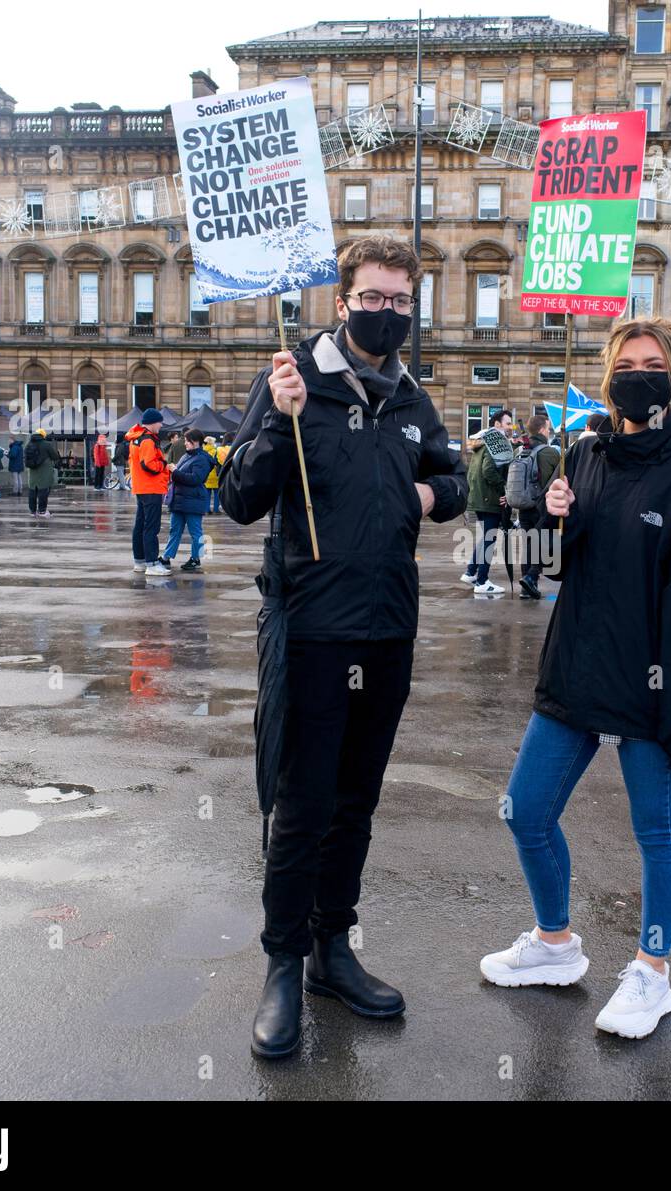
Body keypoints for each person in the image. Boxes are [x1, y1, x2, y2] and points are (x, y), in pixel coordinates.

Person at [221, 235, 468, 1059]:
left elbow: (456, 483)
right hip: (312, 631)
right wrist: (272, 426)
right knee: (303, 804)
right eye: (374, 297)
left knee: (357, 802)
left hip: (389, 628)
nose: (387, 312)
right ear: (343, 301)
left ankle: (334, 947)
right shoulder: (291, 379)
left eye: (401, 300)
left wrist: (426, 491)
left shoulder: (410, 398)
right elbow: (237, 501)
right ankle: (283, 963)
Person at [479, 316, 671, 1040]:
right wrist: (555, 517)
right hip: (578, 666)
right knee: (525, 810)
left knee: (657, 829)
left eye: (652, 363)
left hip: (652, 684)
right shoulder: (583, 455)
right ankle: (555, 944)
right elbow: (561, 565)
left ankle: (653, 973)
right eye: (627, 361)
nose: (638, 373)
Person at [460, 409, 513, 594]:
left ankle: (471, 572)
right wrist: (504, 488)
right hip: (490, 498)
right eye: (507, 423)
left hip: (479, 497)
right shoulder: (496, 442)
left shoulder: (483, 441)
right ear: (497, 424)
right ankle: (482, 582)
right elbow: (488, 470)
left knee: (486, 537)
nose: (510, 427)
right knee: (489, 539)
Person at [515, 414, 561, 600]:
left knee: (528, 544)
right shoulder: (549, 452)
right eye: (548, 428)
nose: (549, 431)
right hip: (541, 506)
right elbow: (556, 479)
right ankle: (530, 577)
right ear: (542, 430)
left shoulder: (519, 450)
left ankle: (526, 588)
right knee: (543, 545)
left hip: (523, 505)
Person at [161, 428, 214, 573]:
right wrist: (176, 470)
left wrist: (175, 471)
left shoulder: (202, 459)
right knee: (174, 530)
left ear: (195, 442)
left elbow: (195, 479)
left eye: (187, 441)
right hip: (180, 499)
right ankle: (166, 557)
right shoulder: (187, 456)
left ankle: (196, 559)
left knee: (195, 532)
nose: (185, 443)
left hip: (193, 500)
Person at [127, 408, 170, 573]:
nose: (161, 425)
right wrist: (165, 465)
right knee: (151, 526)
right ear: (153, 423)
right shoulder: (147, 440)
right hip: (151, 487)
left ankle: (140, 561)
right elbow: (149, 465)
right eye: (159, 422)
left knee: (140, 525)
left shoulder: (136, 438)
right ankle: (152, 563)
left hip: (141, 486)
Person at [24, 428, 60, 518]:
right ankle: (42, 511)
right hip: (44, 471)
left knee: (32, 491)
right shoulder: (47, 444)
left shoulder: (28, 444)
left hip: (32, 472)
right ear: (43, 436)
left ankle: (32, 511)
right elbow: (55, 456)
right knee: (43, 491)